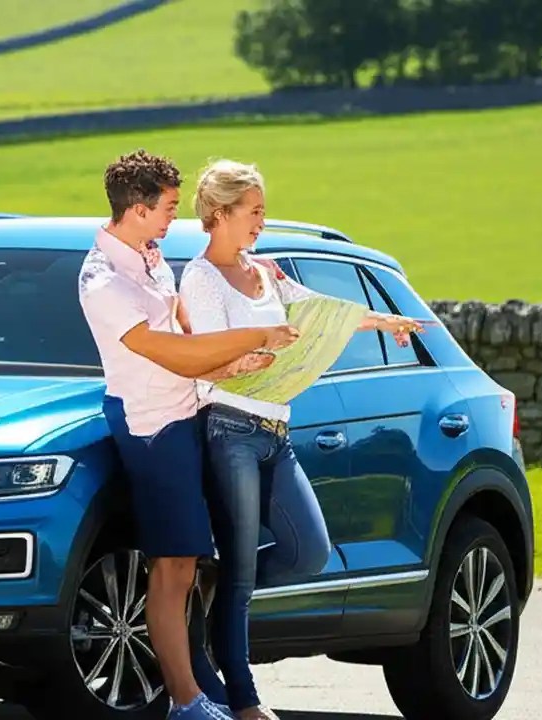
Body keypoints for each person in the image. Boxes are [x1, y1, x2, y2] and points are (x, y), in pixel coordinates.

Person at [179, 159, 428, 720]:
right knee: (241, 569)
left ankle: (209, 597)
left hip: (276, 433)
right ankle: (242, 699)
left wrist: (384, 324)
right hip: (230, 431)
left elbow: (320, 314)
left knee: (309, 551)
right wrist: (250, 355)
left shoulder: (264, 270)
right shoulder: (200, 278)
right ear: (220, 214)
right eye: (255, 210)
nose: (261, 220)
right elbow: (210, 356)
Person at [78, 149, 299, 720]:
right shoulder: (102, 281)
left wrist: (226, 367)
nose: (177, 218)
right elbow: (170, 352)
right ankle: (185, 700)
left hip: (191, 413)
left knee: (198, 560)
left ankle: (201, 681)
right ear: (137, 207)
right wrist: (257, 338)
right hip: (154, 426)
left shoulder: (151, 257)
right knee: (173, 562)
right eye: (169, 207)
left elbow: (184, 328)